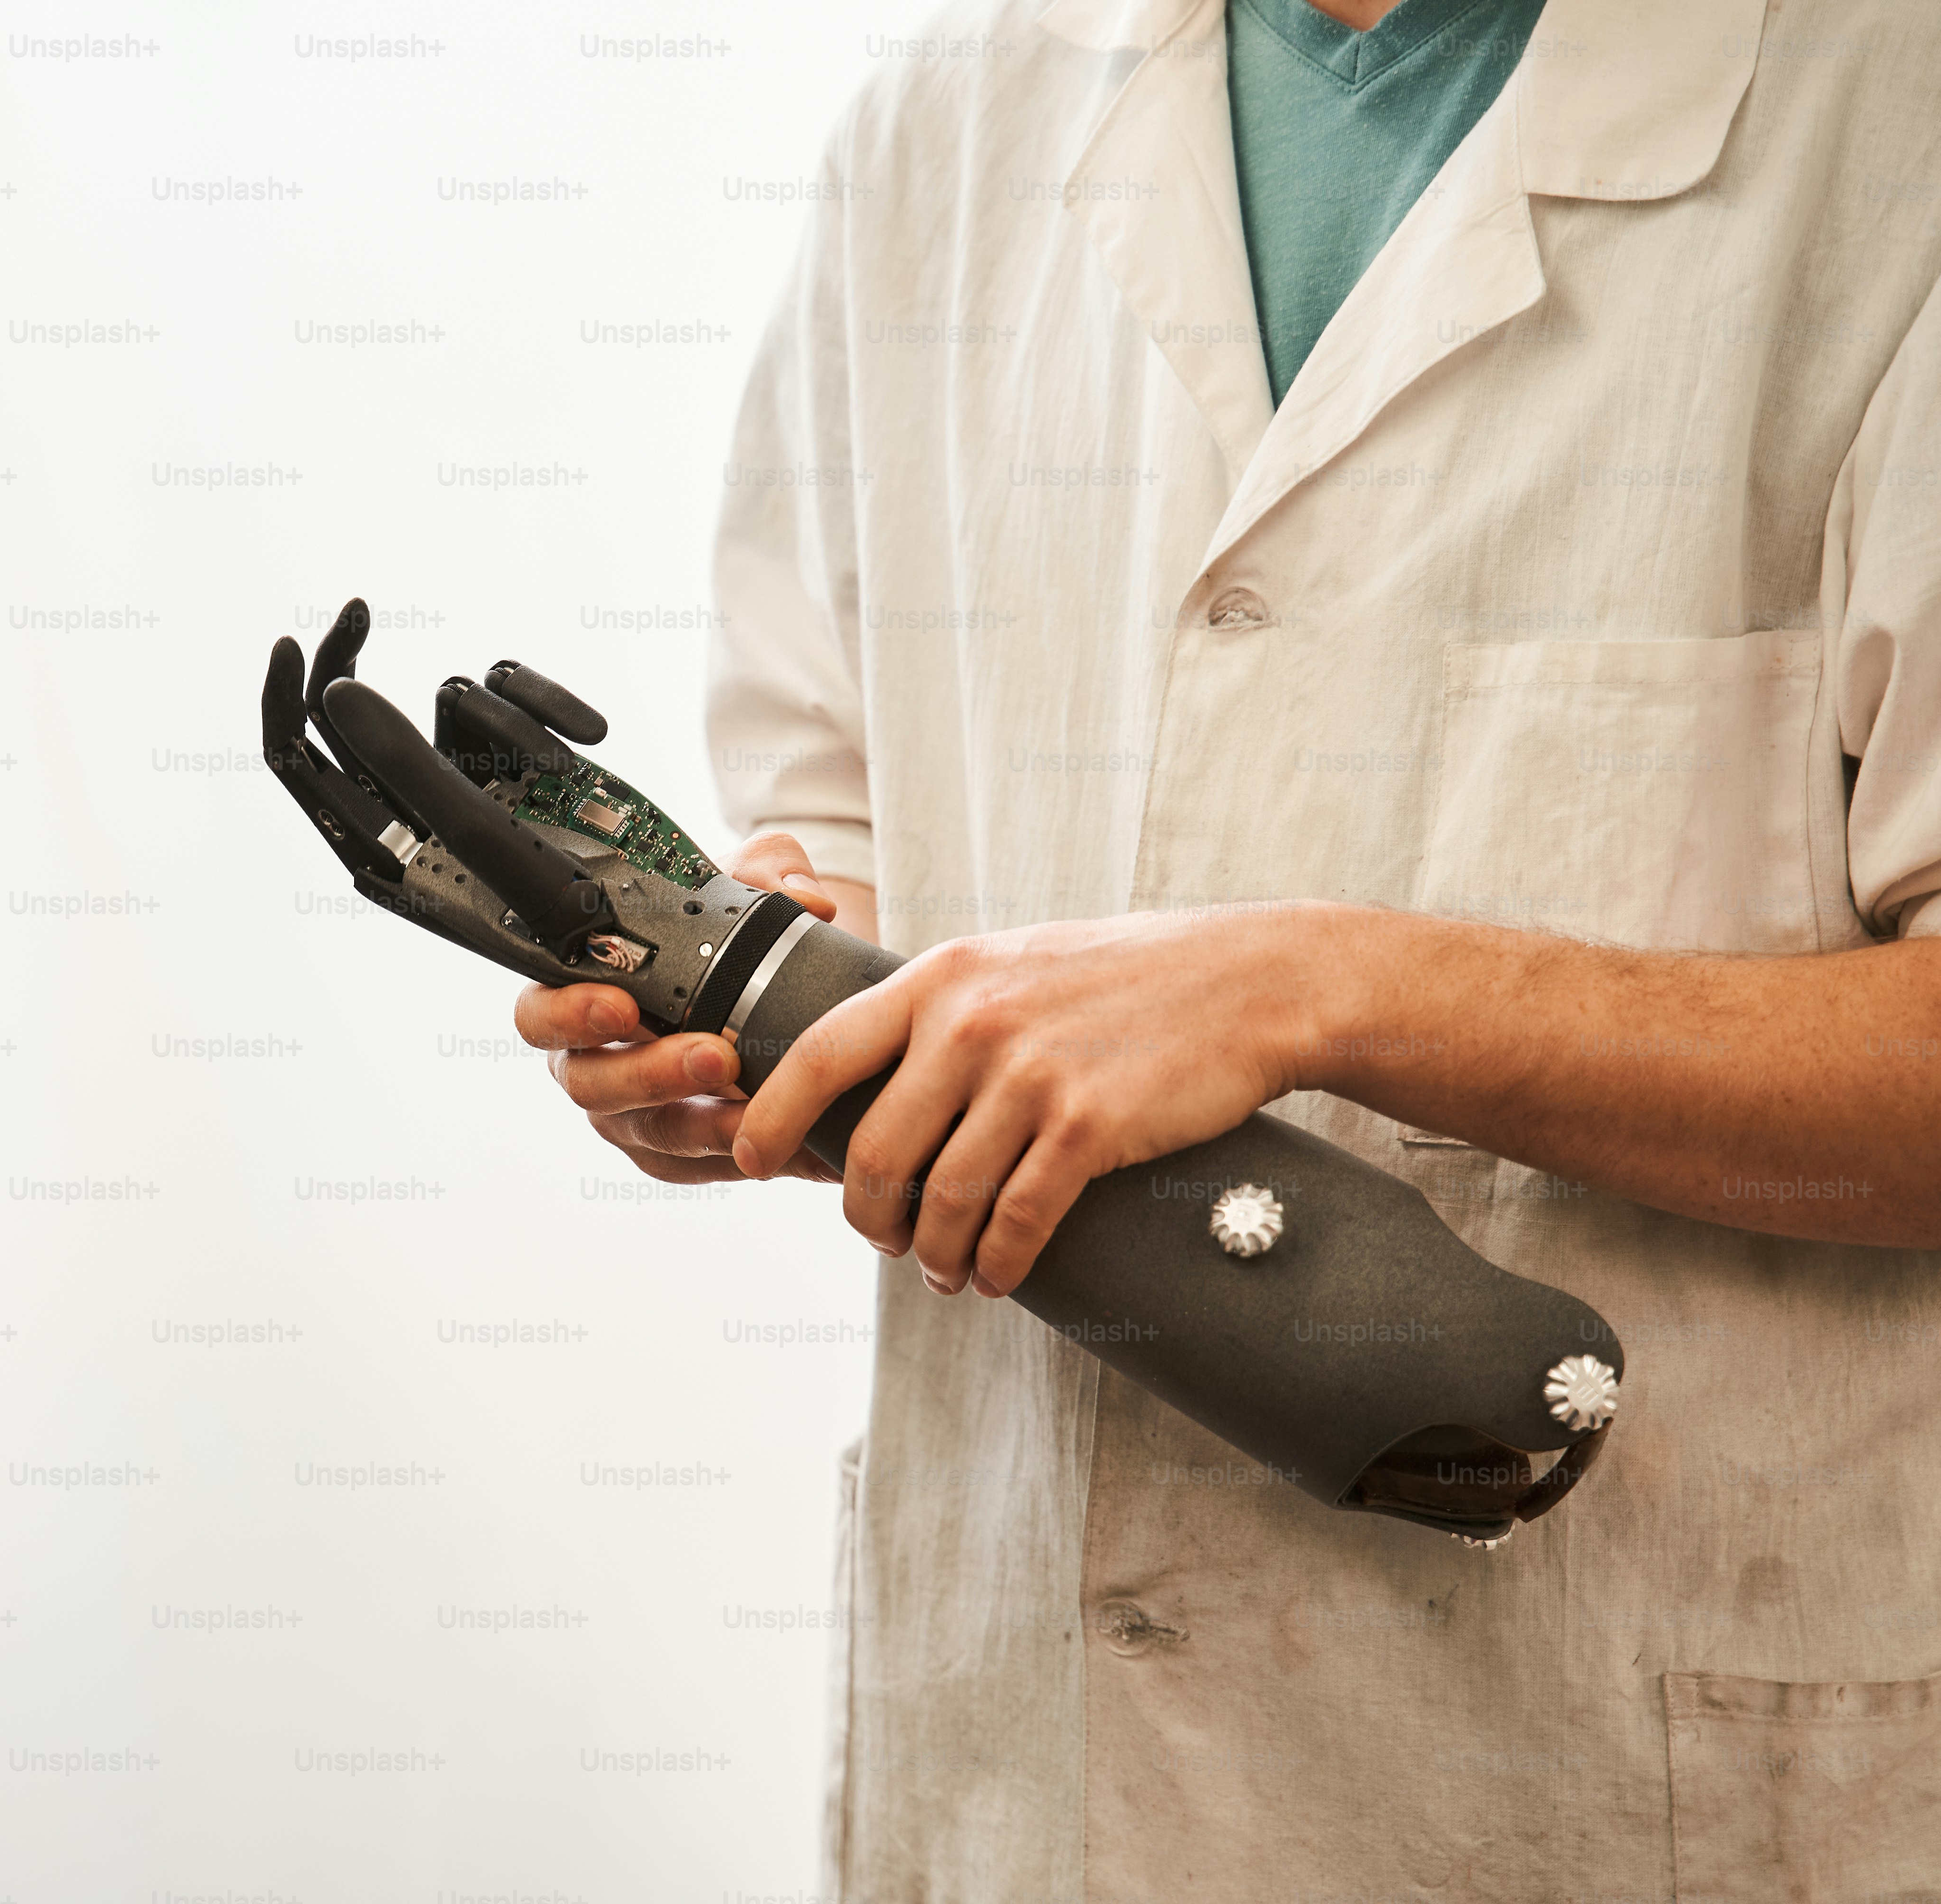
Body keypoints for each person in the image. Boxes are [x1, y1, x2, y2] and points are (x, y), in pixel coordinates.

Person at [515, 0, 1941, 1894]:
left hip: (1632, 1759)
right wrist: (774, 1014)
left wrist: (1322, 988)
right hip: (1037, 1757)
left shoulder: (1888, 123)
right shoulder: (946, 124)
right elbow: (841, 825)